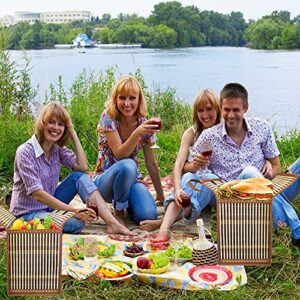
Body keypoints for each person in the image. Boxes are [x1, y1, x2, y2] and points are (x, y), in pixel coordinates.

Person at [188, 83, 300, 248]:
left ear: (245, 108)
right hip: (237, 201)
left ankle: (279, 216)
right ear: (221, 107)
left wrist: (270, 169)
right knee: (249, 173)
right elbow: (188, 167)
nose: (230, 115)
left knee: (258, 176)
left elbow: (276, 166)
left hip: (267, 193)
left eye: (236, 110)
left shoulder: (262, 127)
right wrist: (195, 164)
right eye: (226, 109)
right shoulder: (210, 136)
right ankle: (296, 230)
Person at [10, 102, 132, 235]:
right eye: (51, 122)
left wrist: (72, 133)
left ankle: (112, 223)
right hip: (27, 214)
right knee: (76, 223)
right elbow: (38, 194)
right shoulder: (25, 152)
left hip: (49, 207)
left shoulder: (56, 149)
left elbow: (82, 167)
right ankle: (47, 224)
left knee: (78, 177)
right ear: (42, 124)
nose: (56, 128)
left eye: (61, 124)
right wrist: (74, 211)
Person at [140, 89, 222, 231]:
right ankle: (165, 225)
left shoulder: (224, 131)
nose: (205, 115)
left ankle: (164, 223)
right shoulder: (191, 133)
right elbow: (178, 165)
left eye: (209, 109)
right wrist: (177, 189)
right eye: (200, 110)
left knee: (205, 178)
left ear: (217, 109)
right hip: (197, 186)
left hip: (218, 190)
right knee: (189, 178)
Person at [92, 75, 165, 227]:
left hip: (131, 180)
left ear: (139, 100)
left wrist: (160, 193)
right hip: (105, 181)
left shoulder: (144, 123)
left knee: (148, 215)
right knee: (128, 164)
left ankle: (128, 203)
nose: (127, 103)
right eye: (122, 98)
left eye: (132, 98)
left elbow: (151, 163)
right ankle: (118, 212)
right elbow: (120, 154)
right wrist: (137, 133)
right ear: (115, 99)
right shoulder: (109, 117)